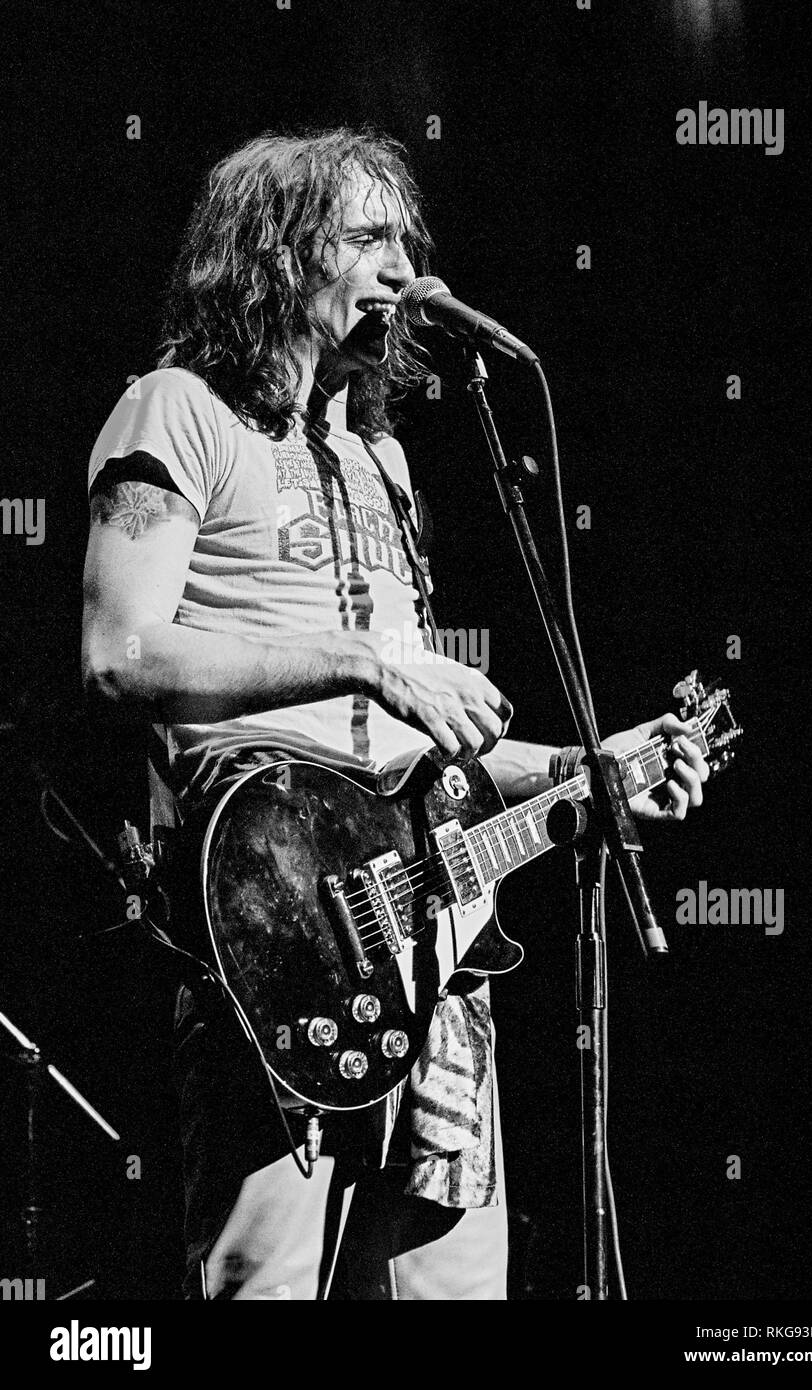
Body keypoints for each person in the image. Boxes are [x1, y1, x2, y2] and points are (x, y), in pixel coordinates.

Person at [81, 128, 709, 1300]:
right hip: (272, 921)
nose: (401, 266)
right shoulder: (176, 409)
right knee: (262, 1287)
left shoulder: (382, 462)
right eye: (366, 237)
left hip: (425, 930)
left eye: (405, 238)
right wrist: (359, 659)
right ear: (273, 254)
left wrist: (590, 767)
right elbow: (120, 656)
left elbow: (425, 746)